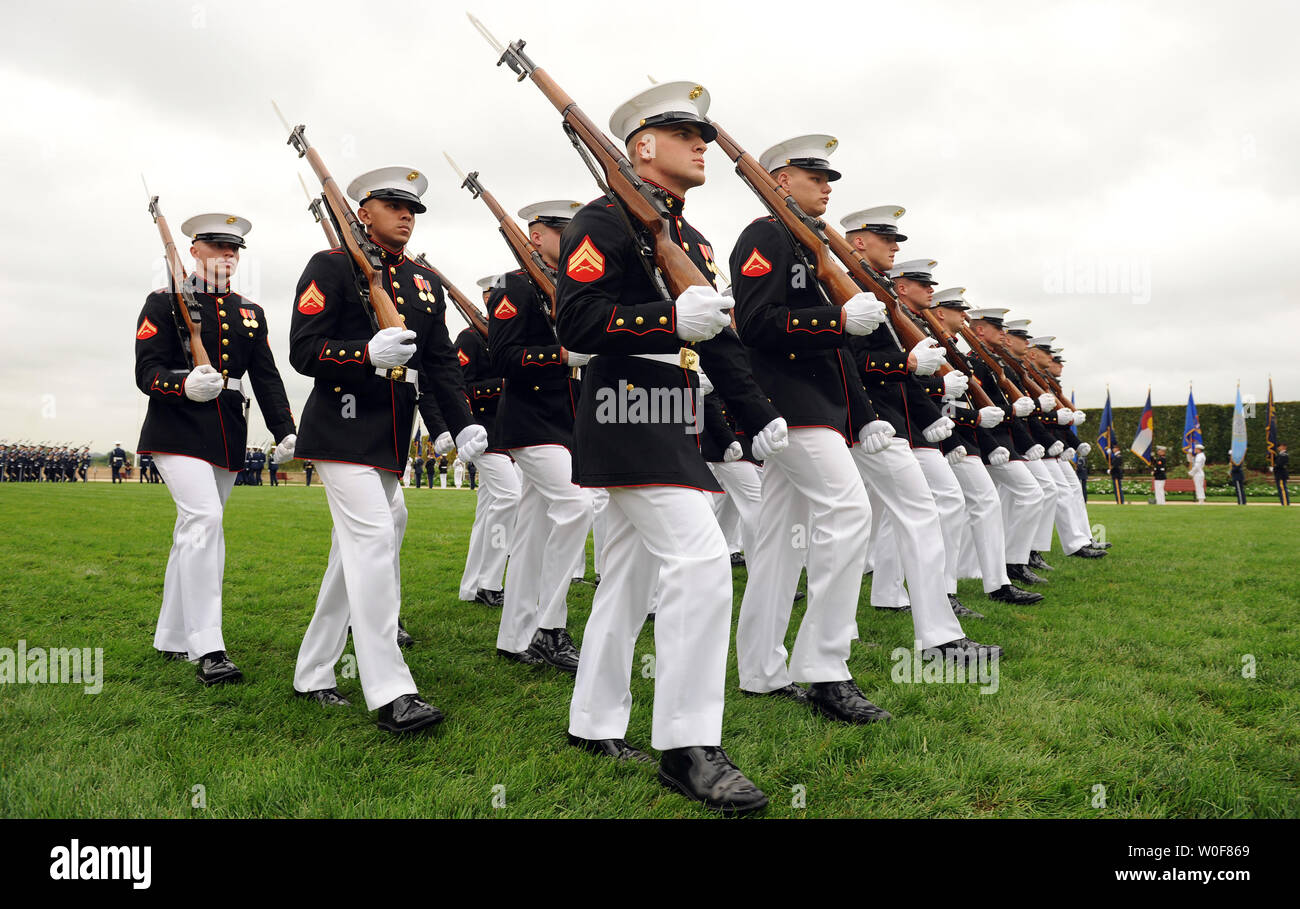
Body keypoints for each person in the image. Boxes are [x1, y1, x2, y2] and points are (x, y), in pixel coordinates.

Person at [557, 81, 786, 814]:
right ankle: (687, 746)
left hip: (674, 410)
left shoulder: (689, 239)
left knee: (627, 575)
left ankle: (593, 719)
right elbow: (577, 320)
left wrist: (755, 413)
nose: (703, 144)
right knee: (701, 559)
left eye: (705, 134)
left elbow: (715, 336)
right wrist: (663, 319)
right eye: (686, 133)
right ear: (642, 145)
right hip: (627, 407)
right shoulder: (601, 220)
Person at [288, 165, 487, 733]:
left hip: (390, 437)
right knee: (373, 538)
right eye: (394, 205)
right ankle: (391, 688)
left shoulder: (423, 283)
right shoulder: (330, 267)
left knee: (356, 548)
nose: (407, 215)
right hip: (341, 429)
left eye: (413, 209)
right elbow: (304, 350)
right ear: (362, 213)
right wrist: (363, 353)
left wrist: (463, 423)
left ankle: (314, 672)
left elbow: (442, 362)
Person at [134, 211, 297, 684]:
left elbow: (265, 375)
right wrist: (182, 385)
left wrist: (285, 428)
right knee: (204, 521)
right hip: (176, 427)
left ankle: (170, 634)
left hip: (226, 428)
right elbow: (146, 372)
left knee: (194, 530)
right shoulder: (163, 302)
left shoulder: (250, 311)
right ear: (193, 251)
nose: (228, 255)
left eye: (235, 248)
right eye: (218, 247)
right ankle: (208, 646)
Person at [488, 200, 593, 671]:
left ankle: (515, 637)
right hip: (531, 420)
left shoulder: (577, 284)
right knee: (576, 505)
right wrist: (562, 356)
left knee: (532, 530)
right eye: (559, 231)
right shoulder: (514, 287)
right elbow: (503, 357)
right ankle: (551, 627)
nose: (570, 239)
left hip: (568, 421)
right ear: (535, 236)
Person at [454, 321, 516, 607]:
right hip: (480, 433)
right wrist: (503, 385)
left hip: (505, 431)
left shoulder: (506, 336)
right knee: (510, 497)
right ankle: (490, 583)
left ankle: (471, 587)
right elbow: (460, 387)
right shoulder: (469, 339)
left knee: (487, 511)